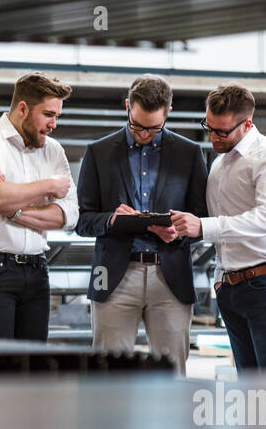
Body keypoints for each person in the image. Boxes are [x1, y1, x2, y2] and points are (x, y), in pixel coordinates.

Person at [74, 74, 207, 370]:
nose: (144, 134)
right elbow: (81, 220)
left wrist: (180, 232)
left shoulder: (189, 153)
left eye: (154, 128)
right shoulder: (98, 152)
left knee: (173, 373)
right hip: (113, 277)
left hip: (170, 275)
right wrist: (111, 219)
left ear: (168, 113)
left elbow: (202, 221)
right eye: (137, 125)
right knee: (108, 374)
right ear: (127, 107)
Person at [168, 84, 266, 370]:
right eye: (209, 127)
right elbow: (217, 223)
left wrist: (203, 227)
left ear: (247, 124)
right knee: (250, 385)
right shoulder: (220, 163)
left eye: (222, 131)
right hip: (231, 286)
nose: (213, 136)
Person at [0, 72, 78, 340]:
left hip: (37, 272)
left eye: (57, 115)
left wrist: (13, 207)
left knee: (32, 371)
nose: (54, 124)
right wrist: (47, 186)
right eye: (48, 114)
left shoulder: (53, 150)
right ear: (23, 108)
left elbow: (70, 215)